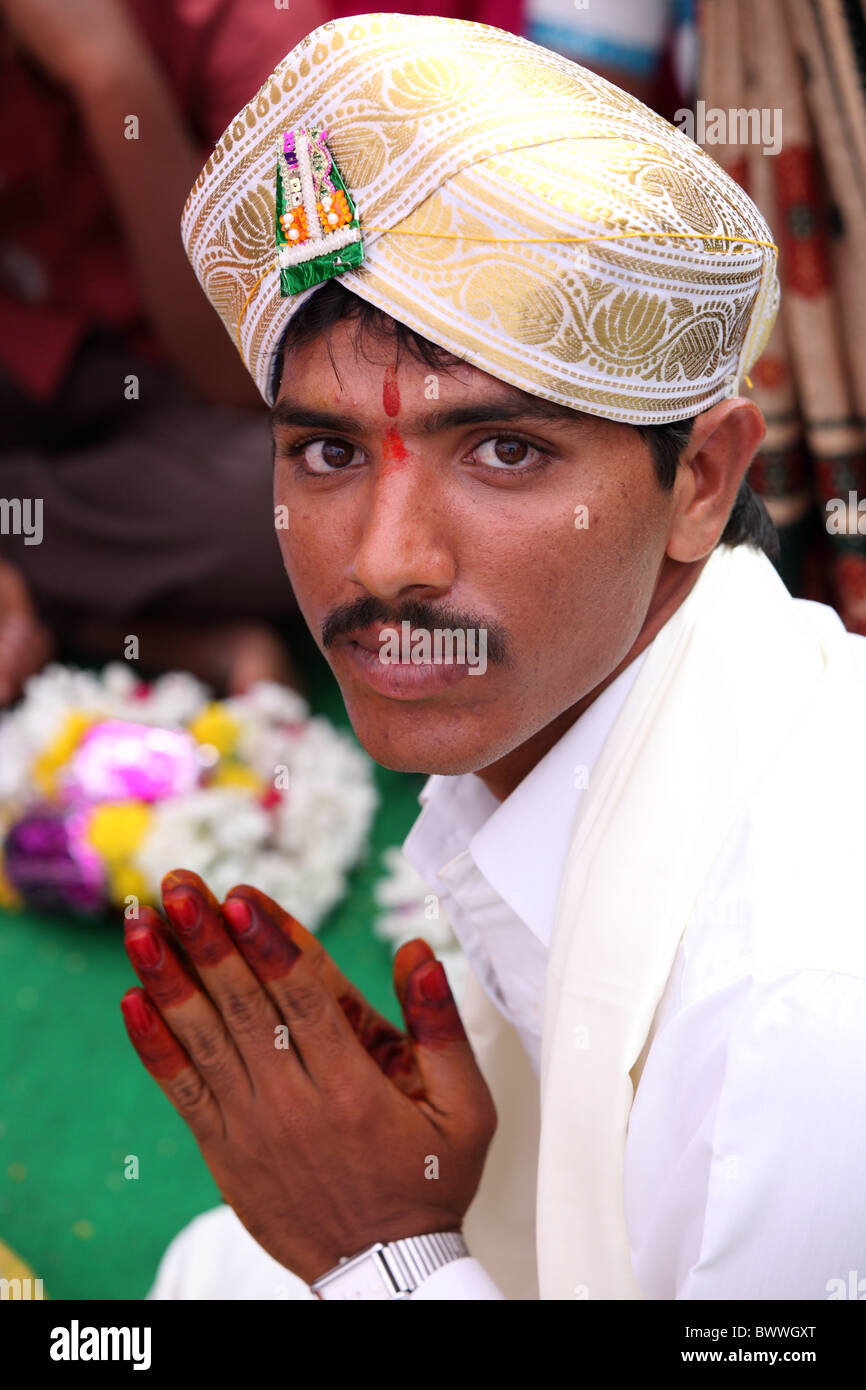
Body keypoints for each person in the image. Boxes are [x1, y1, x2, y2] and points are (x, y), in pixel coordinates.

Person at [121, 13, 866, 1300]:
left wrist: (383, 1252)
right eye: (328, 452)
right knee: (220, 1267)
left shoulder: (801, 1022)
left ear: (700, 480)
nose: (383, 561)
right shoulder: (628, 707)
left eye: (505, 451)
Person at [0, 0, 328, 700]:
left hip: (185, 406)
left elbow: (255, 372)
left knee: (300, 499)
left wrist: (110, 74)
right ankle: (115, 618)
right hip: (34, 403)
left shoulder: (250, 30)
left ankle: (53, 593)